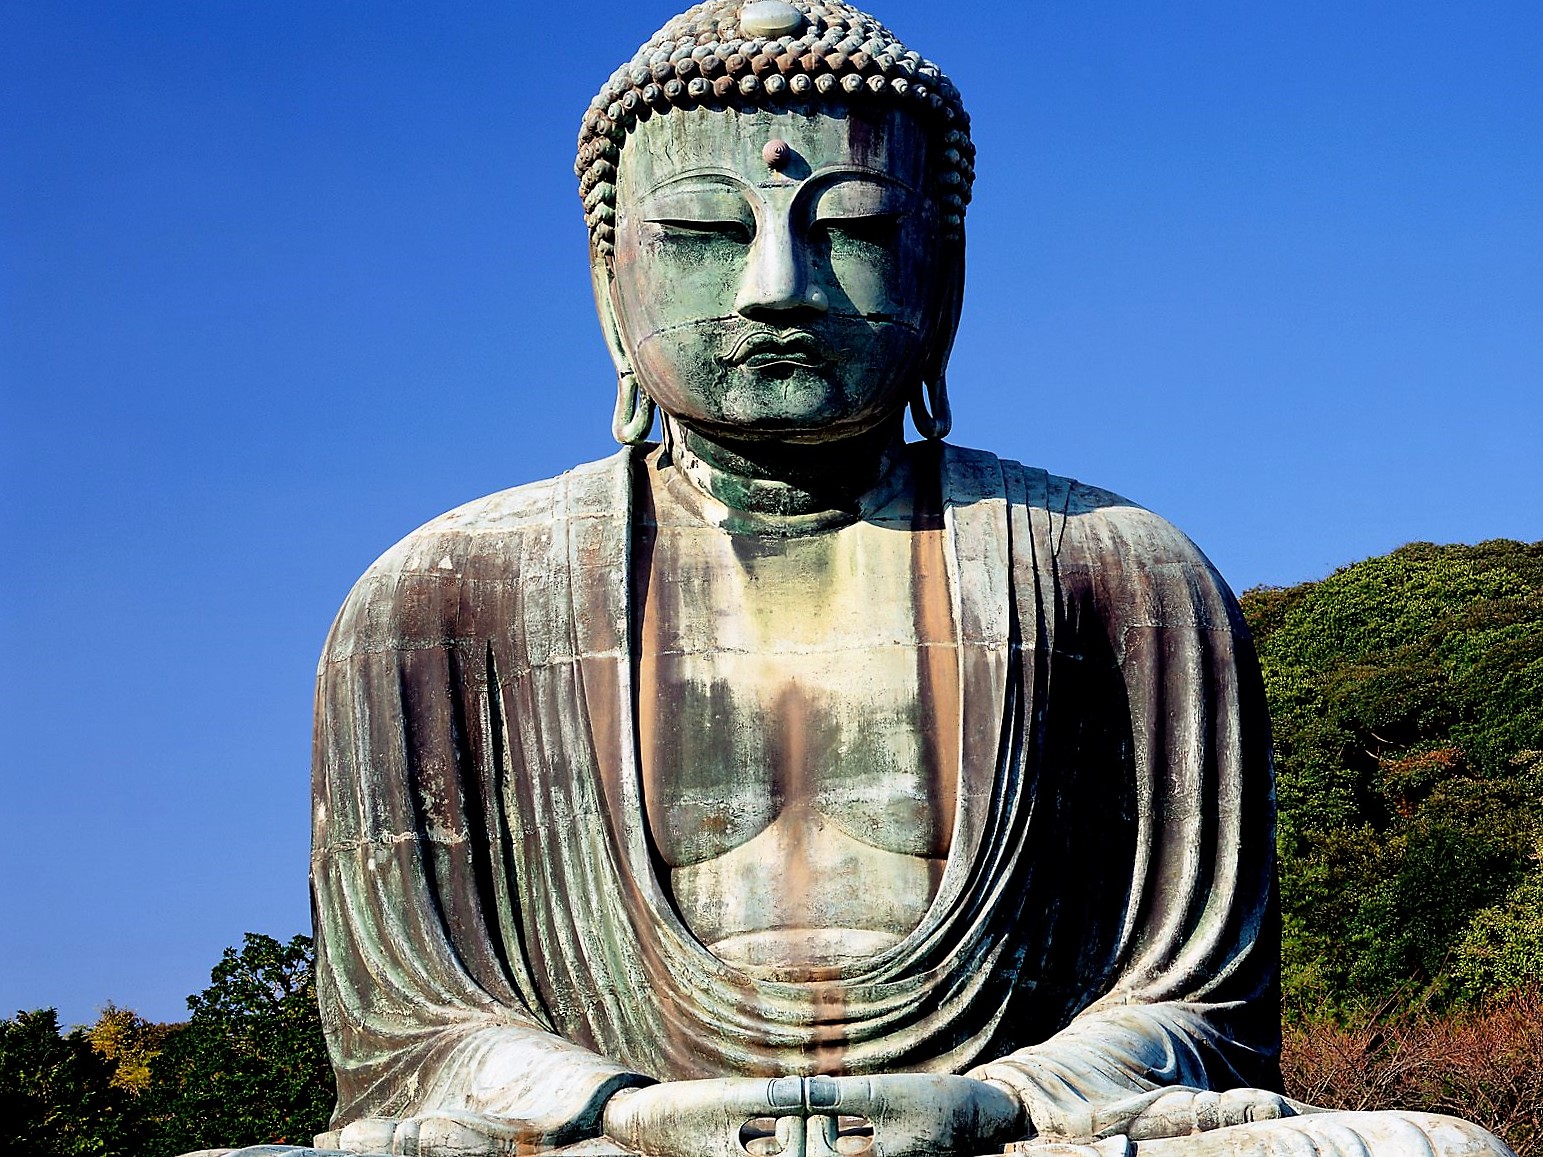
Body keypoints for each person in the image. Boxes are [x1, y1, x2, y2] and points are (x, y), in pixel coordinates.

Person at [208, 4, 1516, 1157]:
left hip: (1009, 1136)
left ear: (944, 280)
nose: (778, 287)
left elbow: (1196, 1012)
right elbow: (415, 1031)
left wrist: (997, 1101)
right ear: (610, 288)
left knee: (1428, 1149)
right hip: (622, 1139)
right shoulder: (442, 600)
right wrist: (623, 1108)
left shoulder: (1120, 575)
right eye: (708, 233)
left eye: (850, 229)